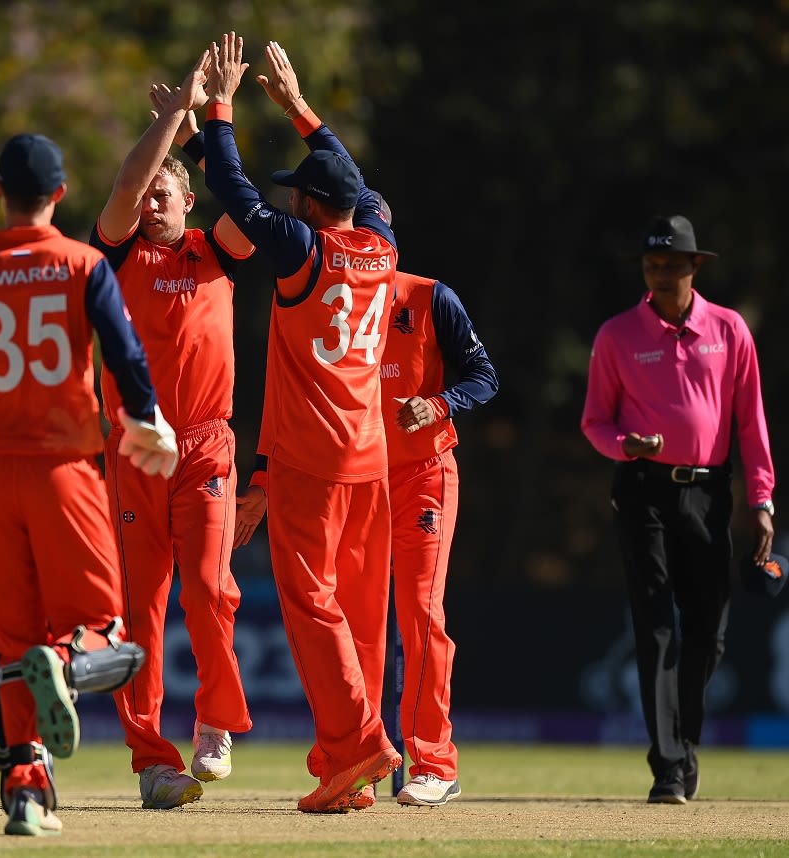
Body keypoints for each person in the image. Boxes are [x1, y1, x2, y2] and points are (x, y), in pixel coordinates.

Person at [0, 132, 177, 836]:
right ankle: (60, 661)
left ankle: (26, 792)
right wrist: (145, 418)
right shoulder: (83, 264)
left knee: (10, 642)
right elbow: (125, 351)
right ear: (59, 194)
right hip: (63, 467)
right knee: (104, 633)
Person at [235, 194, 499, 810]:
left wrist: (437, 404)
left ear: (380, 238)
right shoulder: (322, 289)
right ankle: (359, 763)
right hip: (360, 481)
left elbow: (484, 376)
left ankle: (434, 760)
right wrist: (267, 479)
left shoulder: (430, 297)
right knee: (352, 625)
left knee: (420, 613)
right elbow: (289, 396)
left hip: (424, 475)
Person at [201, 34, 402, 813]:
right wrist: (298, 109)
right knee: (352, 613)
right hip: (370, 460)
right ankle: (344, 770)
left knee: (312, 607)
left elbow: (232, 190)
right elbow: (357, 183)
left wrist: (219, 107)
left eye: (299, 196)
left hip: (315, 464)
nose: (289, 204)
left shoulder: (303, 251)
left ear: (312, 207)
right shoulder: (382, 245)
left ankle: (359, 748)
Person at [89, 57, 256, 809]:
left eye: (167, 191)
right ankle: (154, 760)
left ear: (188, 197)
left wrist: (201, 130)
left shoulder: (215, 249)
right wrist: (168, 124)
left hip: (206, 443)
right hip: (135, 444)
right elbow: (125, 188)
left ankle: (215, 723)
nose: (152, 198)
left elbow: (248, 206)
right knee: (142, 604)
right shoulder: (121, 251)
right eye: (150, 190)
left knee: (212, 590)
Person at [581, 214, 775, 804]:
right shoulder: (617, 335)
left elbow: (751, 421)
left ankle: (684, 741)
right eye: (651, 265)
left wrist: (762, 499)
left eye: (671, 265)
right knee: (655, 625)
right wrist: (623, 446)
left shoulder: (730, 329)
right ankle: (667, 766)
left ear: (695, 267)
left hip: (709, 492)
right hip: (642, 489)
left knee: (709, 632)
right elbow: (596, 421)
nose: (660, 274)